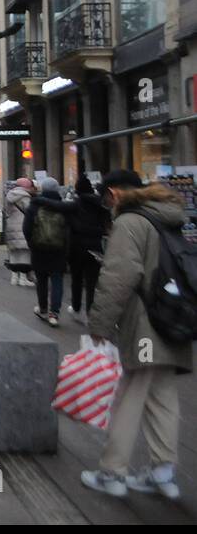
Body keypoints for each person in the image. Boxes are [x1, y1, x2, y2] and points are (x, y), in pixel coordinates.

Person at [81, 170, 193, 500]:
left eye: (106, 197)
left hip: (145, 324)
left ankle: (111, 472)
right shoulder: (167, 218)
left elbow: (119, 276)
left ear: (114, 193)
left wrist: (100, 324)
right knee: (163, 397)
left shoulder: (130, 223)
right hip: (173, 319)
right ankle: (163, 473)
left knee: (130, 395)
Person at [23, 177, 76, 327]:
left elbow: (26, 228)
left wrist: (31, 243)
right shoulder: (63, 207)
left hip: (38, 248)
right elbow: (69, 230)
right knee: (57, 279)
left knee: (41, 279)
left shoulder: (35, 205)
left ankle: (43, 308)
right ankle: (55, 313)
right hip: (58, 250)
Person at [68, 174, 110, 325]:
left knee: (77, 279)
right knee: (92, 282)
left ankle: (77, 308)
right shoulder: (100, 204)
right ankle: (91, 312)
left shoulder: (74, 204)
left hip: (76, 246)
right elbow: (107, 224)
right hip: (95, 245)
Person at [4, 177, 36, 287]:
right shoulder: (25, 197)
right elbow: (29, 211)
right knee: (24, 253)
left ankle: (14, 277)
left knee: (14, 253)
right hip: (22, 225)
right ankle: (23, 278)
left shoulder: (9, 196)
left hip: (11, 226)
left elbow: (7, 211)